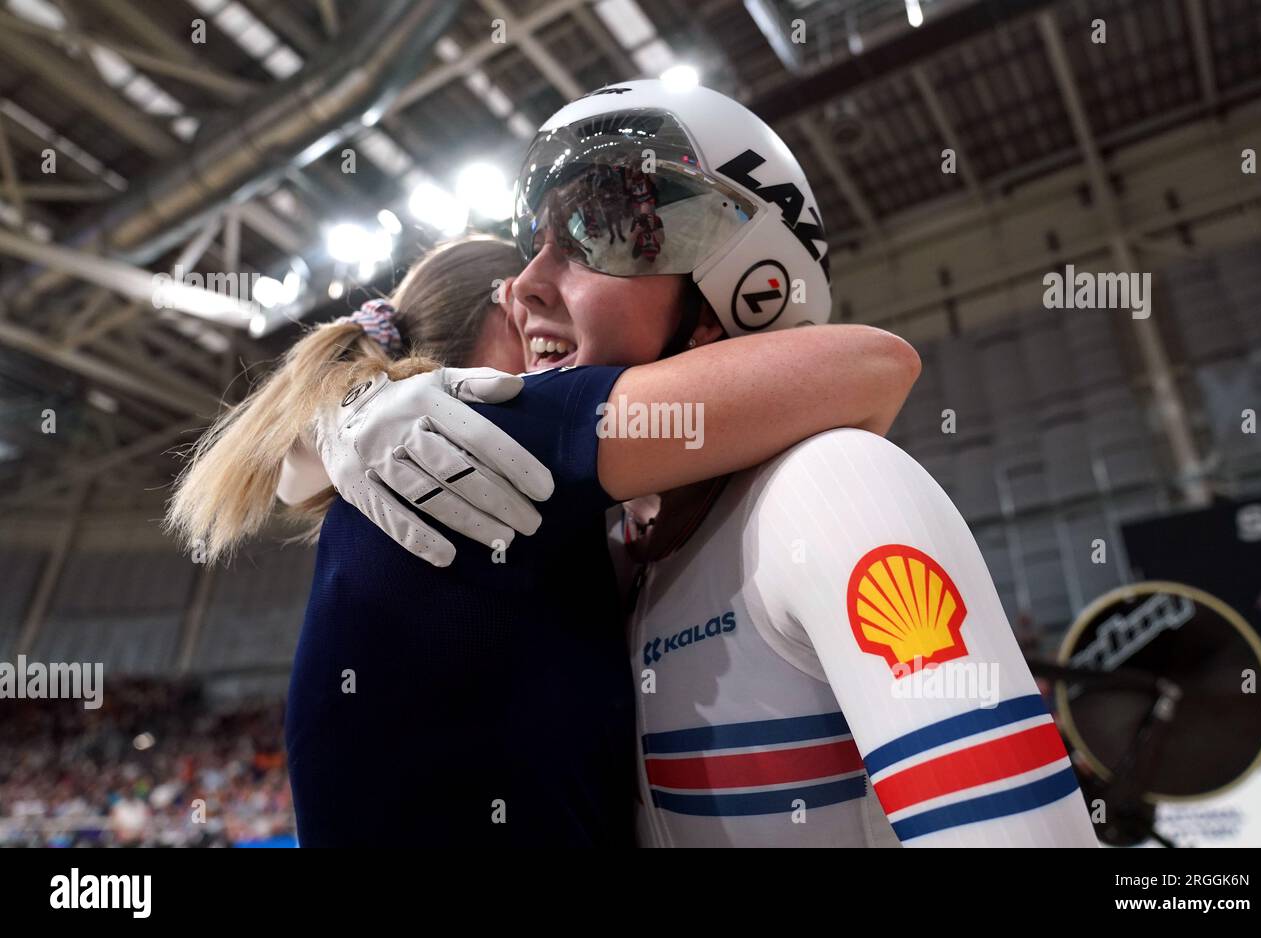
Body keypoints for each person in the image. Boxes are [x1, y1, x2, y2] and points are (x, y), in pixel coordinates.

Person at [317, 80, 1098, 847]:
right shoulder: (609, 564)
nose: (523, 287)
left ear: (742, 297)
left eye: (602, 234)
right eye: (537, 243)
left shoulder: (835, 489)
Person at [167, 235, 921, 846]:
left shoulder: (409, 468)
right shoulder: (499, 431)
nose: (545, 306)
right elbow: (871, 367)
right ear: (503, 317)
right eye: (530, 295)